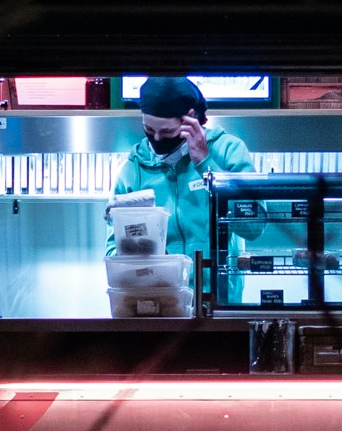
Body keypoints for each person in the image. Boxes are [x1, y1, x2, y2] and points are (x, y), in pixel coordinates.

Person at [107, 75, 257, 284]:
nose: (157, 139)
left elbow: (253, 228)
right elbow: (114, 249)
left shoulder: (227, 151)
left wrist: (205, 163)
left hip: (215, 300)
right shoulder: (134, 168)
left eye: (167, 131)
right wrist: (146, 258)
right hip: (159, 299)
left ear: (190, 118)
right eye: (149, 130)